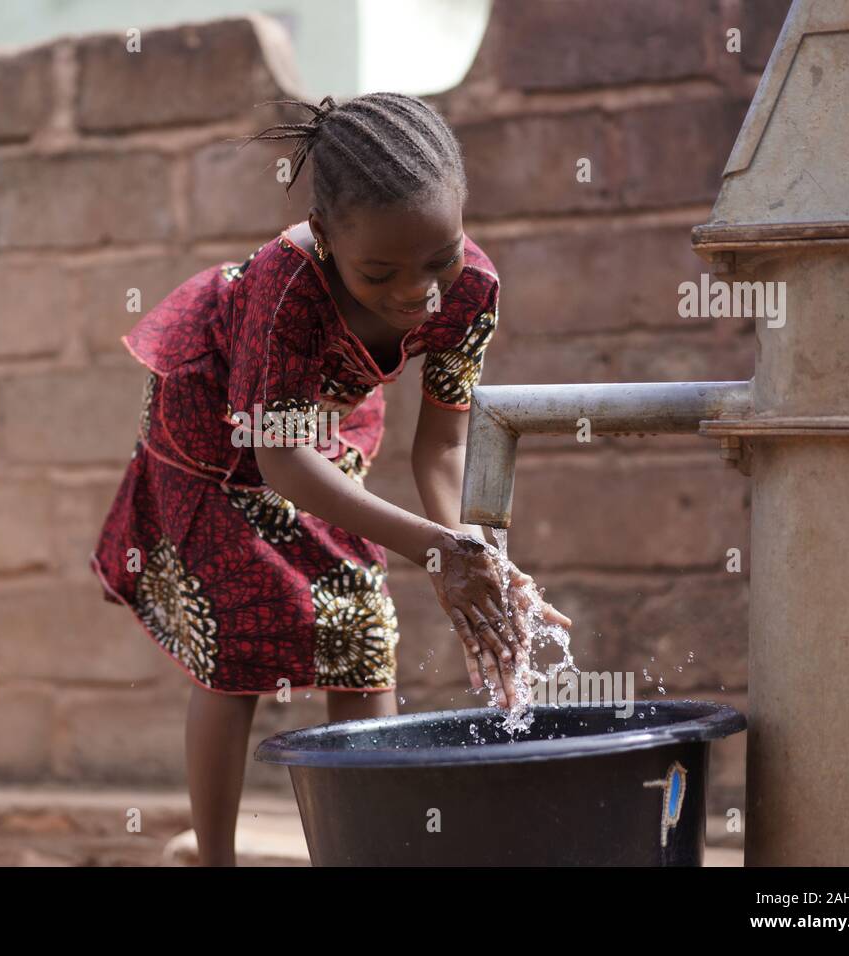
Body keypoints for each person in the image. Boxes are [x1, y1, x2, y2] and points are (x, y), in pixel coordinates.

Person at [91, 92, 571, 865]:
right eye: (381, 271)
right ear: (324, 237)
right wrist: (432, 550)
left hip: (325, 419)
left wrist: (470, 547)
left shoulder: (471, 292)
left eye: (439, 259)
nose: (419, 292)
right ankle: (217, 860)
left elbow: (443, 442)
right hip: (213, 422)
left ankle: (363, 854)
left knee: (363, 632)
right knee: (238, 634)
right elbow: (277, 461)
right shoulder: (288, 288)